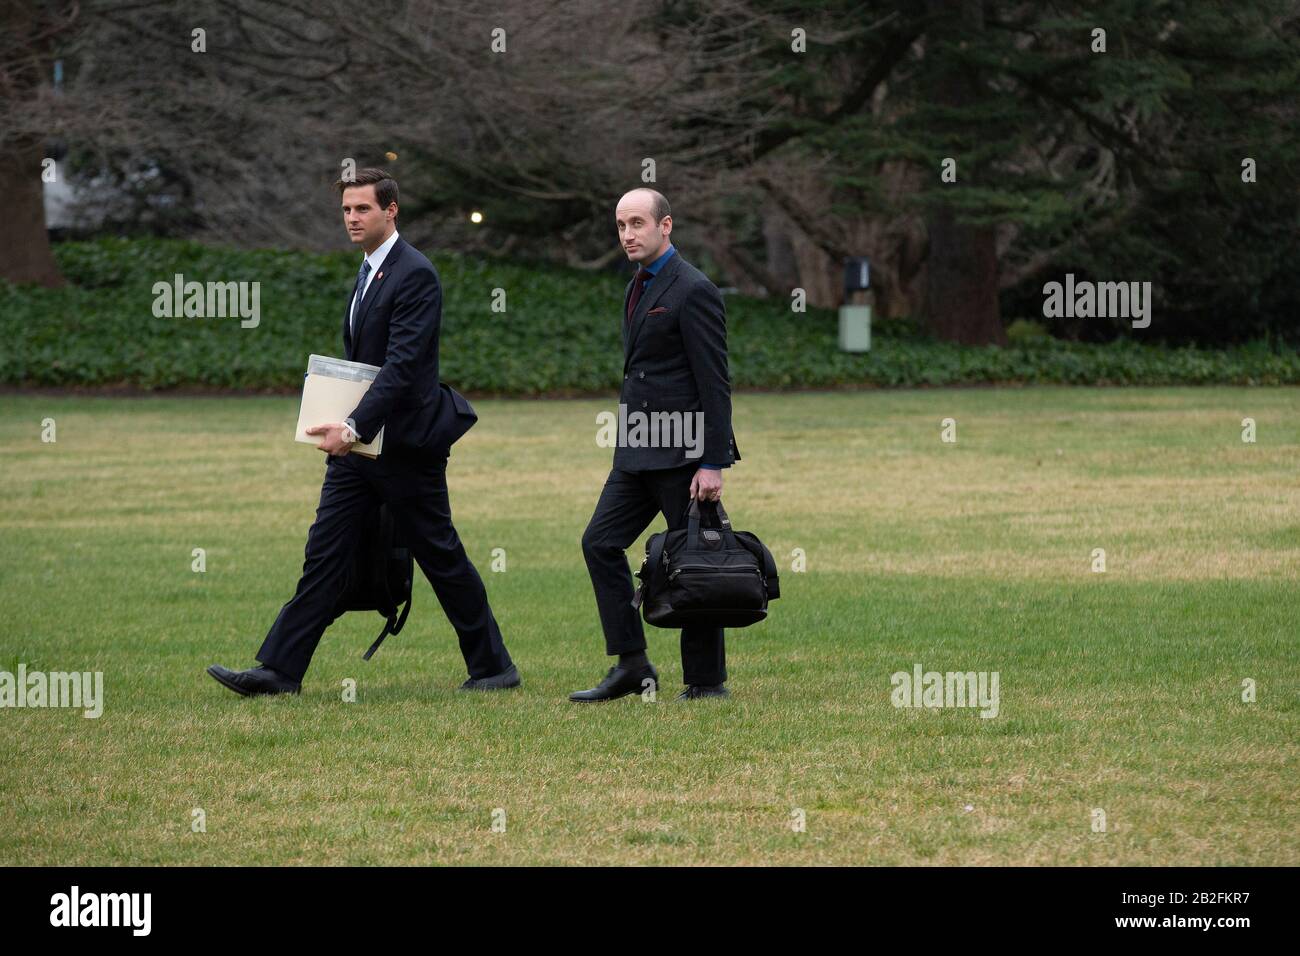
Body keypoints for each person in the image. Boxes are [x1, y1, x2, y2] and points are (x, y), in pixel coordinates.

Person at [207, 168, 518, 697]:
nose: (352, 218)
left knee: (440, 555)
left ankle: (494, 668)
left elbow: (401, 367)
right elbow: (363, 366)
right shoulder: (368, 271)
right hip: (358, 451)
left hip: (405, 448)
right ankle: (280, 672)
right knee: (325, 552)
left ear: (390, 210)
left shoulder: (414, 273)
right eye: (347, 210)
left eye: (363, 209)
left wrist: (351, 427)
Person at [570, 188, 740, 703]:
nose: (627, 234)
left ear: (666, 226)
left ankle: (707, 683)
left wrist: (712, 462)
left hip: (684, 454)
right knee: (599, 543)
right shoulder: (638, 284)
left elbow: (715, 382)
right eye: (621, 225)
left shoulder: (694, 289)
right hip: (637, 450)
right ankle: (633, 665)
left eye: (637, 223)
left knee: (698, 559)